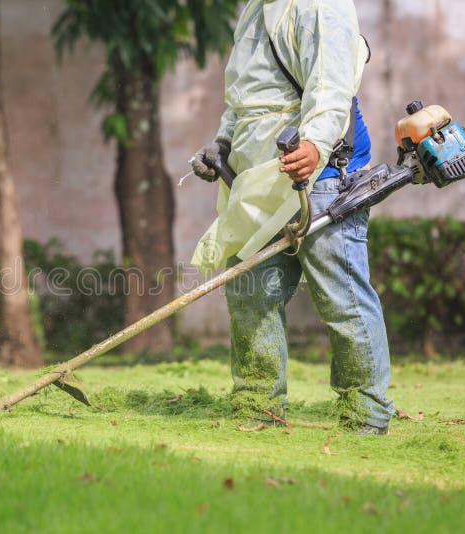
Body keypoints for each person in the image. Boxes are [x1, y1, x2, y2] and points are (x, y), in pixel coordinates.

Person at [191, 0, 394, 434]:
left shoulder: (321, 5)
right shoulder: (255, 8)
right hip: (258, 177)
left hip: (316, 174)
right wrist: (224, 142)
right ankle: (258, 406)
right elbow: (246, 95)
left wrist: (317, 144)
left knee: (342, 299)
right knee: (251, 296)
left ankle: (366, 412)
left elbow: (332, 83)